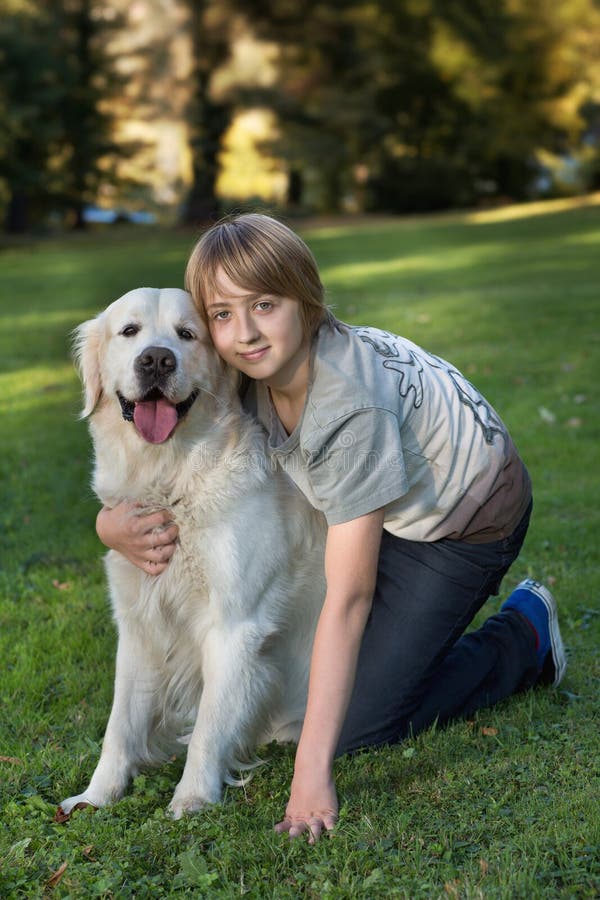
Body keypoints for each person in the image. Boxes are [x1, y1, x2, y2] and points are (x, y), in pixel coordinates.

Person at [96, 213, 567, 844]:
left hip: (466, 516)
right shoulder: (246, 374)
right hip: (382, 498)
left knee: (355, 721)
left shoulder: (347, 408)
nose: (245, 333)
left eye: (265, 304)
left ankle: (524, 635)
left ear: (307, 301)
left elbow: (348, 599)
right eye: (223, 316)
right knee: (321, 684)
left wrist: (310, 771)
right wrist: (110, 524)